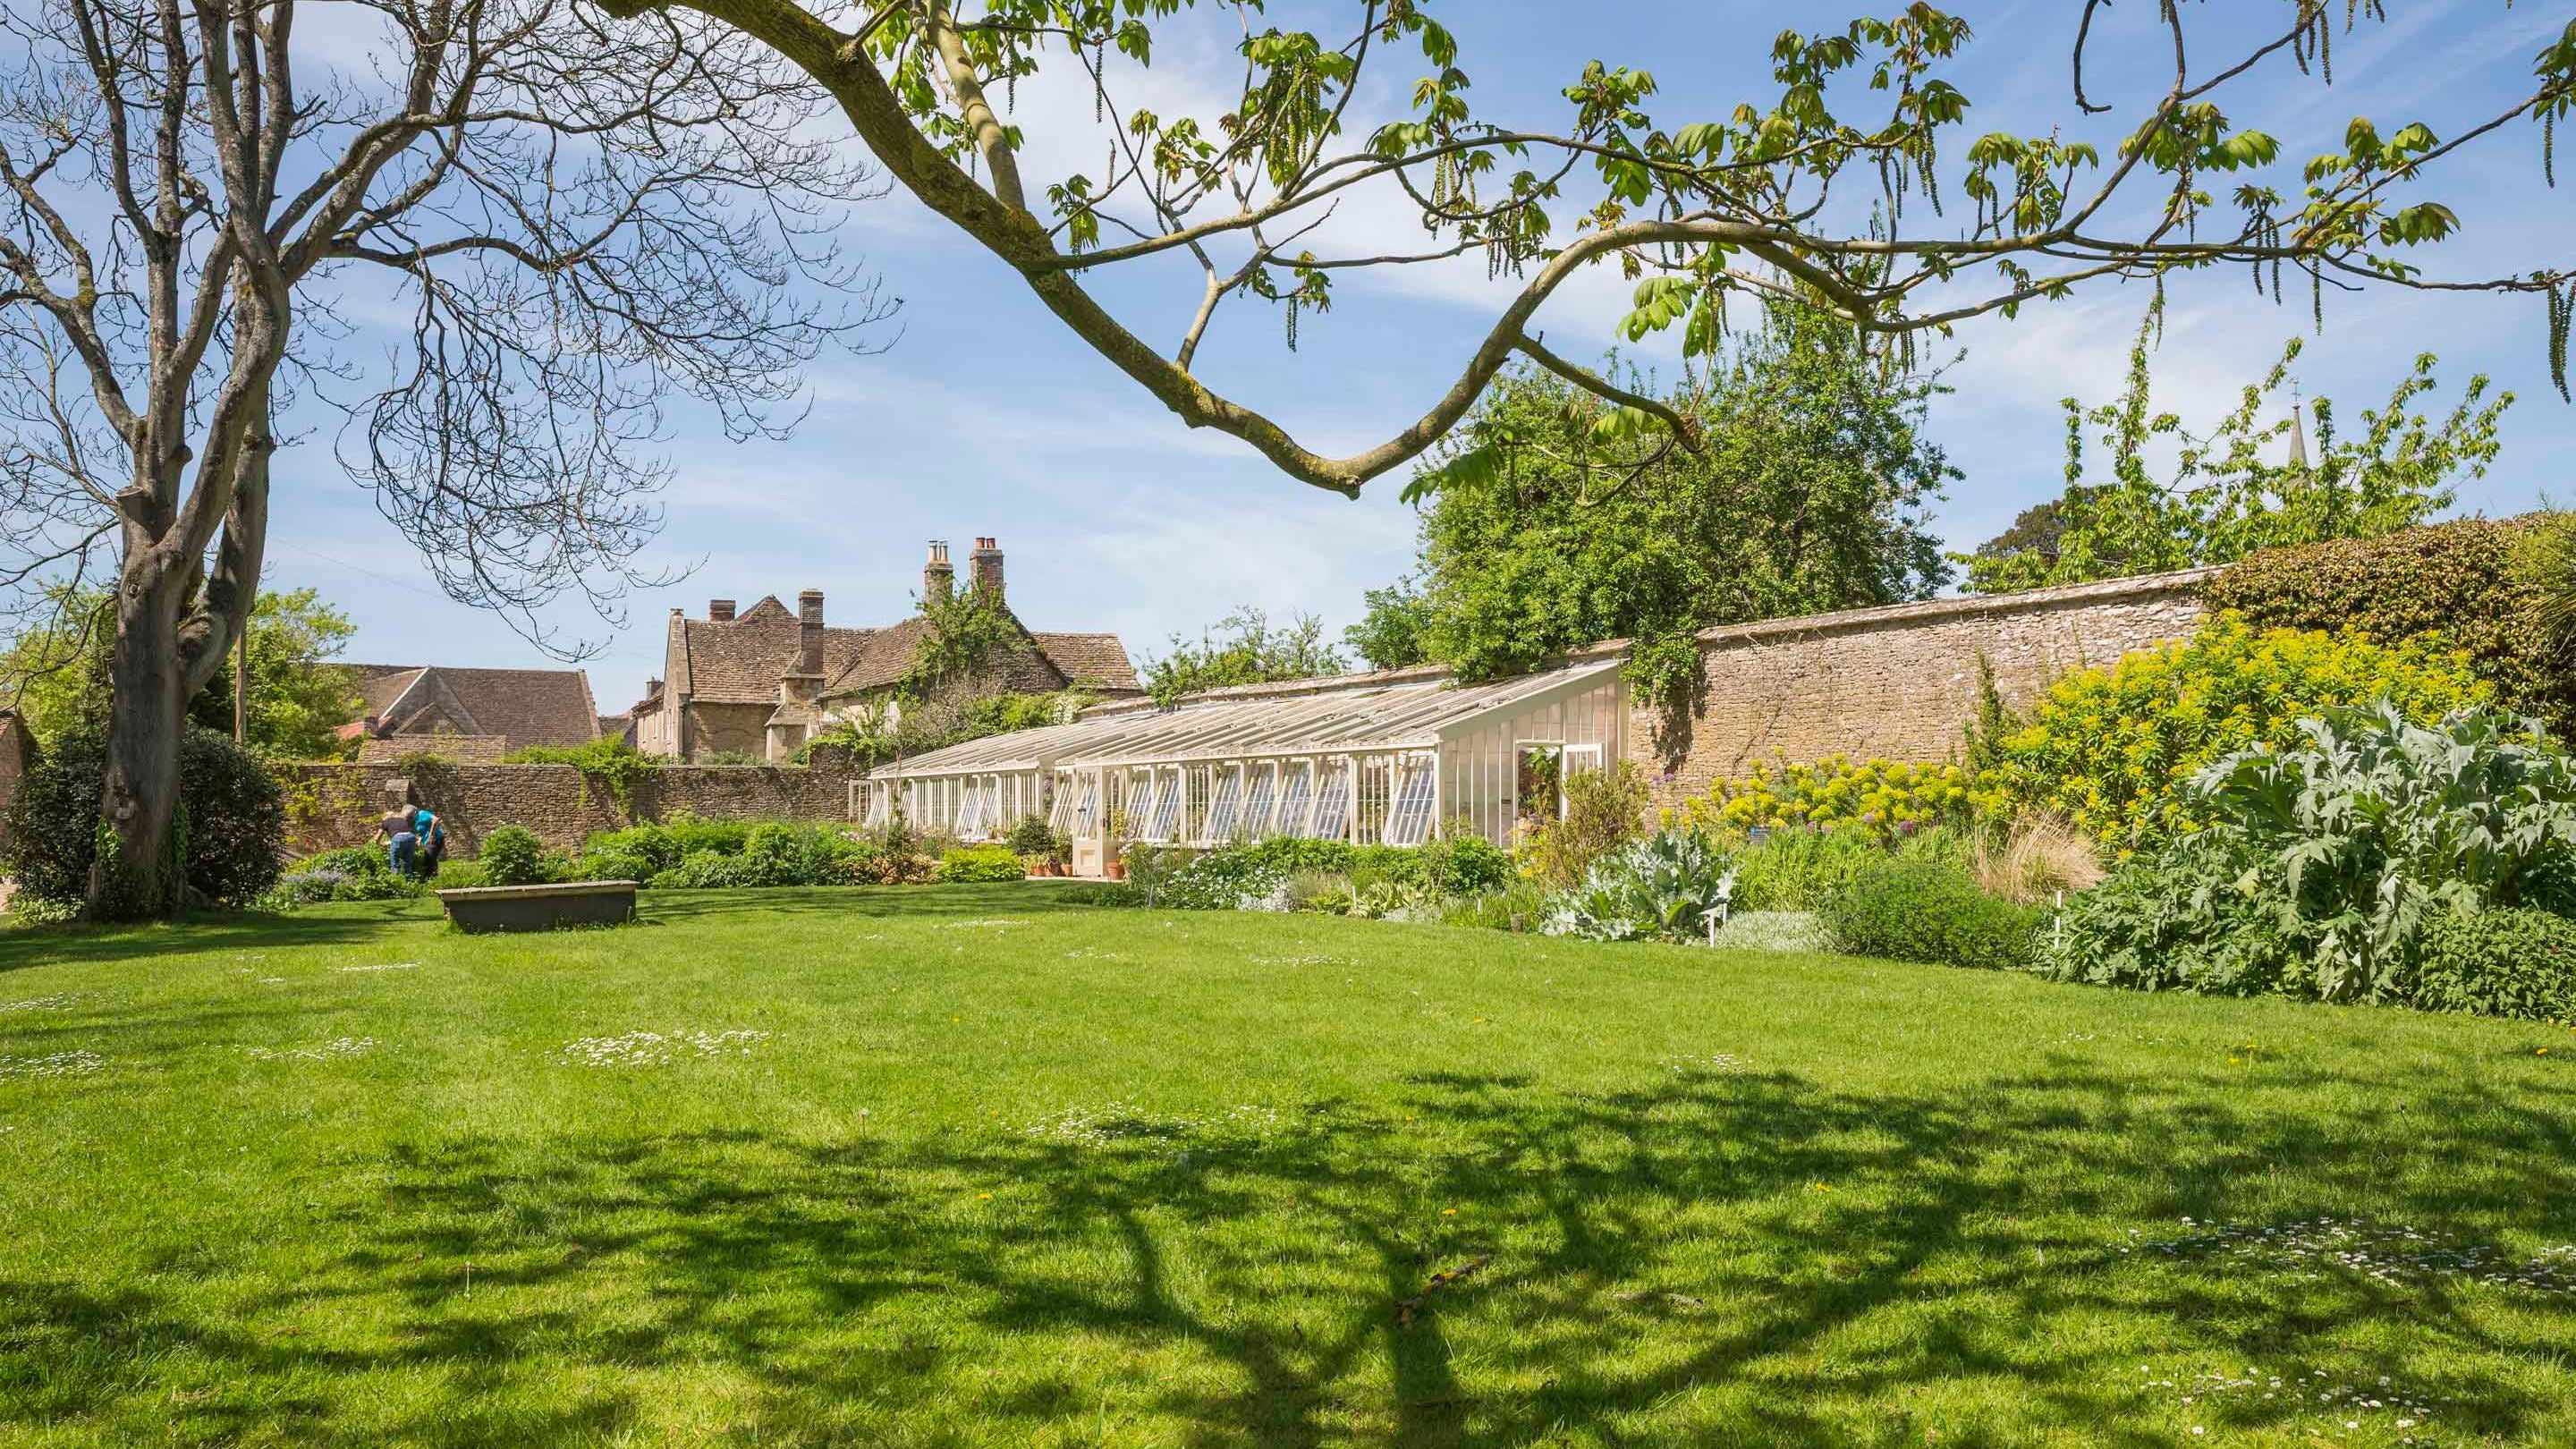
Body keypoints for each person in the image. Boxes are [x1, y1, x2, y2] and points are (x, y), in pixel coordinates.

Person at [379, 806, 419, 877]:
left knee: (395, 861)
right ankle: (409, 880)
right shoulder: (403, 819)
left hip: (398, 838)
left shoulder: (385, 821)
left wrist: (378, 844)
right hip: (411, 837)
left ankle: (396, 880)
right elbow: (405, 833)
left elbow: (377, 837)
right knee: (408, 861)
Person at [412, 807, 448, 880]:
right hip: (426, 840)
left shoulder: (422, 814)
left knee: (429, 857)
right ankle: (431, 877)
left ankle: (430, 878)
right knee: (429, 858)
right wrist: (419, 838)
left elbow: (435, 820)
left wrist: (431, 834)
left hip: (435, 838)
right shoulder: (413, 820)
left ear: (414, 812)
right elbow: (422, 830)